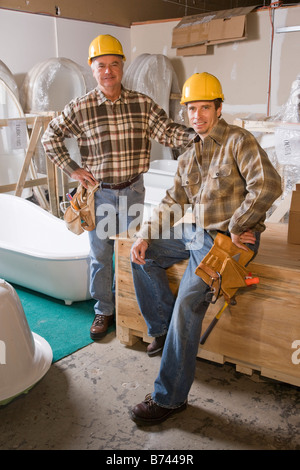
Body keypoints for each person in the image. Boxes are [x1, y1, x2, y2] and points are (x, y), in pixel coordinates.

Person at [130, 72, 282, 425]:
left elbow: (268, 185)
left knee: (188, 303)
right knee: (141, 256)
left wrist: (237, 225)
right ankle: (165, 331)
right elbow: (173, 200)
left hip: (231, 241)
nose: (197, 115)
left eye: (204, 108)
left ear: (218, 108)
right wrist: (145, 234)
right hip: (196, 234)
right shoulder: (188, 155)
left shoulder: (238, 141)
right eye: (191, 109)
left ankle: (170, 399)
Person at [42, 34, 194, 340]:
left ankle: (130, 309)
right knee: (100, 255)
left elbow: (167, 133)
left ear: (122, 66)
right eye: (101, 65)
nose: (108, 71)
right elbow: (50, 138)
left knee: (134, 253)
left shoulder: (142, 104)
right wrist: (73, 169)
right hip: (99, 195)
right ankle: (104, 310)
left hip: (134, 190)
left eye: (114, 64)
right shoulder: (81, 107)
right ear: (92, 69)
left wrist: (200, 135)